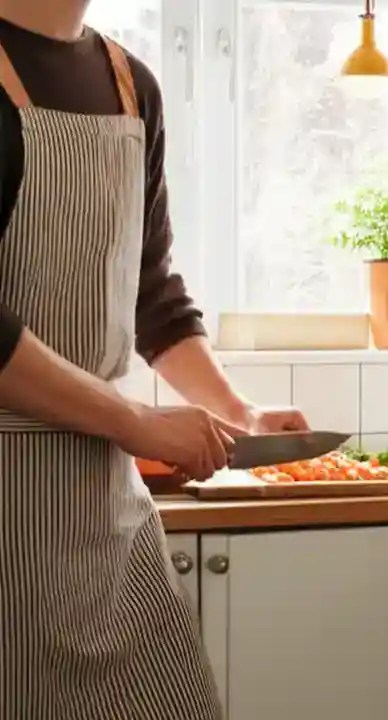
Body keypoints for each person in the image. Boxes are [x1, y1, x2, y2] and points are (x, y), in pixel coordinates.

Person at [0, 1, 309, 717]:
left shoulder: (132, 84)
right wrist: (137, 420)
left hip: (105, 518)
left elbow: (149, 290)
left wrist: (236, 411)